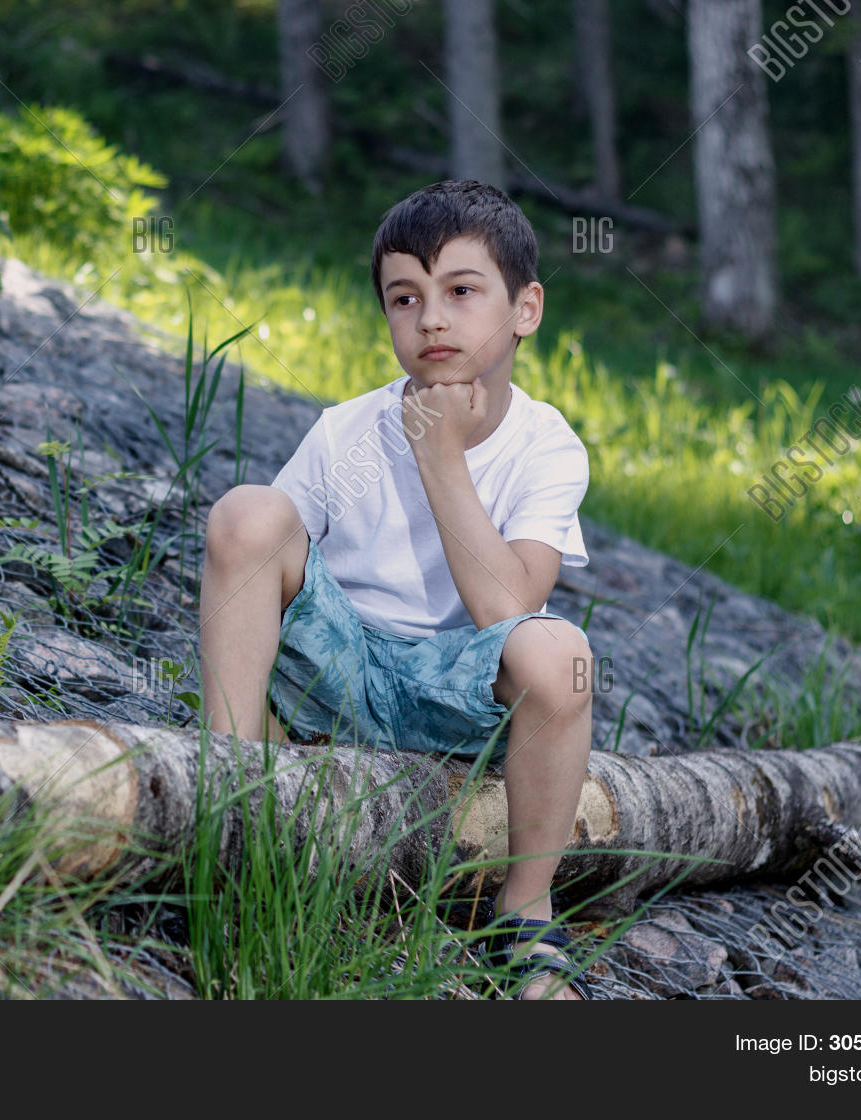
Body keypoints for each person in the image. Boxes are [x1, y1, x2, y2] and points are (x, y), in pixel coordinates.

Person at [197, 180, 595, 1000]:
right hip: (339, 666)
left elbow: (509, 613)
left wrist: (440, 457)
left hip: (457, 687)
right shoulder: (348, 428)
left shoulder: (547, 447)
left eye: (460, 291)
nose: (432, 320)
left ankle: (523, 911)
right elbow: (264, 557)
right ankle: (232, 795)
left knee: (562, 651)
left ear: (526, 309)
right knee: (246, 510)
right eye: (404, 298)